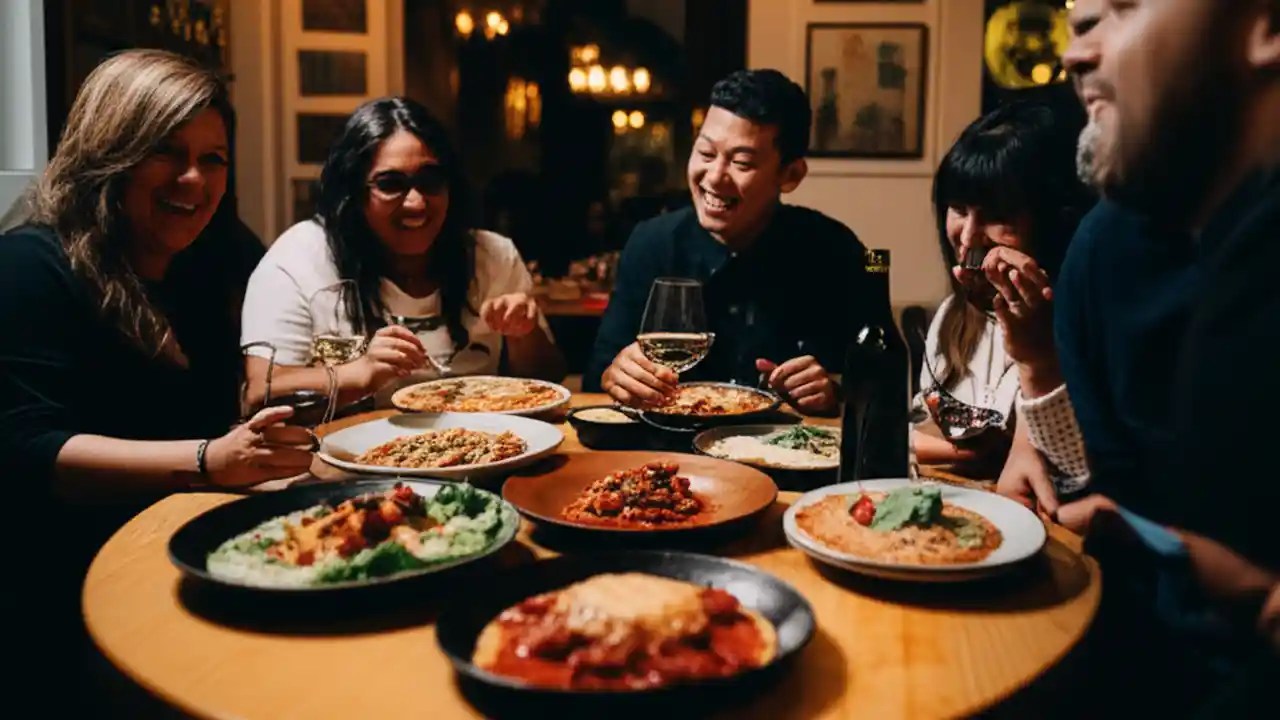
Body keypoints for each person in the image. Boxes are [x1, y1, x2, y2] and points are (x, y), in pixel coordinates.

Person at [0, 49, 313, 699]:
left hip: (200, 561)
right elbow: (31, 454)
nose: (195, 180)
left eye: (214, 158)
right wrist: (208, 459)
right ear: (110, 151)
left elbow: (258, 378)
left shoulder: (218, 250)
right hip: (69, 600)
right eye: (167, 152)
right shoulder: (30, 266)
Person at [1015, 0, 1280, 712]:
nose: (1073, 57)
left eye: (1121, 11)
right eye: (1076, 26)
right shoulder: (1107, 246)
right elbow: (1114, 494)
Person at [585, 69, 892, 416]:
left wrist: (836, 392)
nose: (715, 177)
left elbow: (885, 384)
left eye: (741, 162)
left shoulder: (837, 250)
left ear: (790, 175)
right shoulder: (651, 243)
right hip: (674, 456)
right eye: (705, 153)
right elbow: (598, 378)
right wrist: (619, 376)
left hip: (787, 456)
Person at [241, 97, 565, 409]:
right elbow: (262, 391)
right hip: (341, 459)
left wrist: (525, 333)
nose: (416, 203)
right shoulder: (298, 260)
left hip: (482, 451)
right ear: (352, 192)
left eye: (431, 181)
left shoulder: (492, 255)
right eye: (390, 183)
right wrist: (359, 373)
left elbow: (549, 380)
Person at [913, 102, 1089, 472]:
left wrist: (1037, 356)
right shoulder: (952, 316)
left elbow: (1076, 473)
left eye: (997, 216)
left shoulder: (1081, 324)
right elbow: (928, 416)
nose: (970, 235)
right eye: (959, 209)